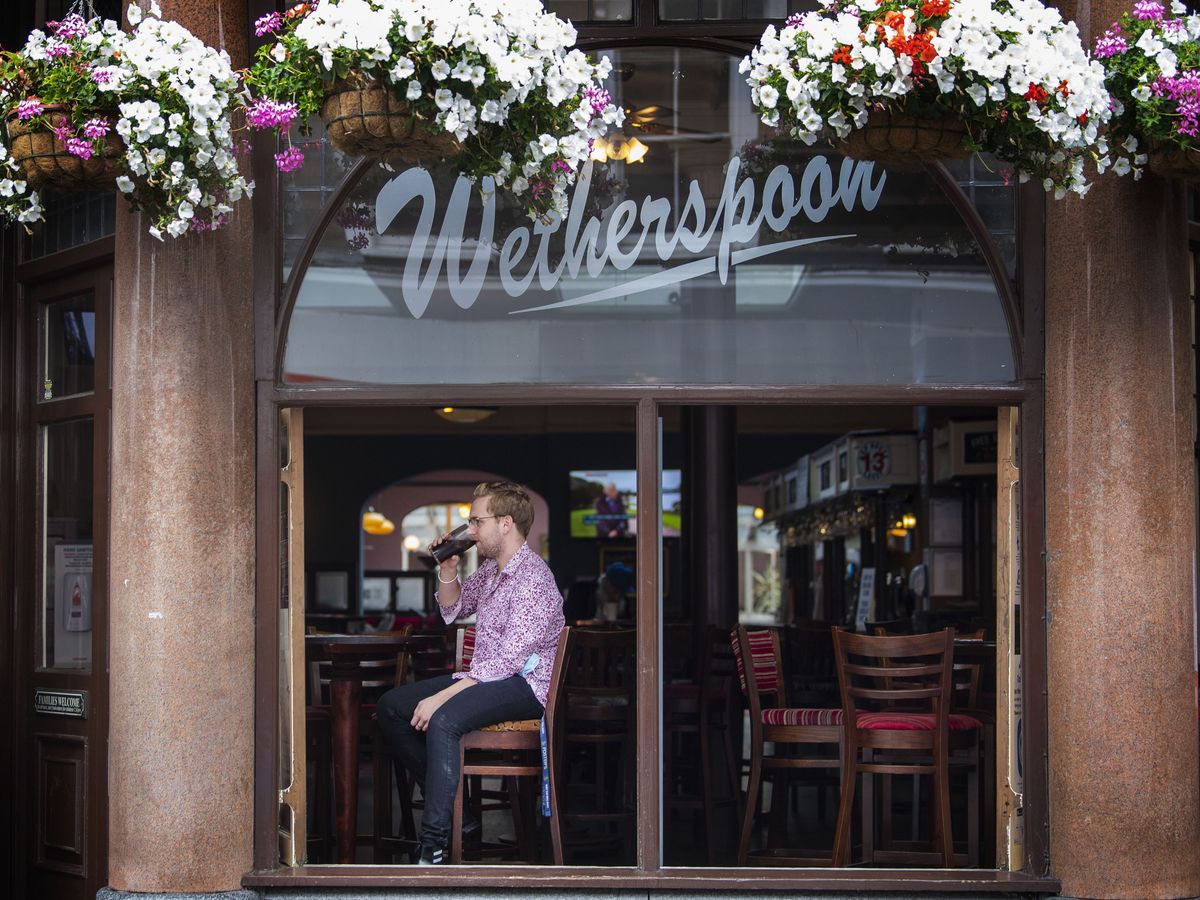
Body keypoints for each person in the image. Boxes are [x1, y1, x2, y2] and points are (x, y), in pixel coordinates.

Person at [375, 481, 565, 865]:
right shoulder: (494, 571)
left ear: (506, 523)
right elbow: (455, 608)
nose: (471, 530)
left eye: (477, 521)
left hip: (524, 685)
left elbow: (508, 662)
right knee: (391, 706)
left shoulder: (532, 578)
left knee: (443, 719)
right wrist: (447, 566)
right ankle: (462, 819)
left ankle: (434, 847)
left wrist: (442, 696)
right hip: (488, 677)